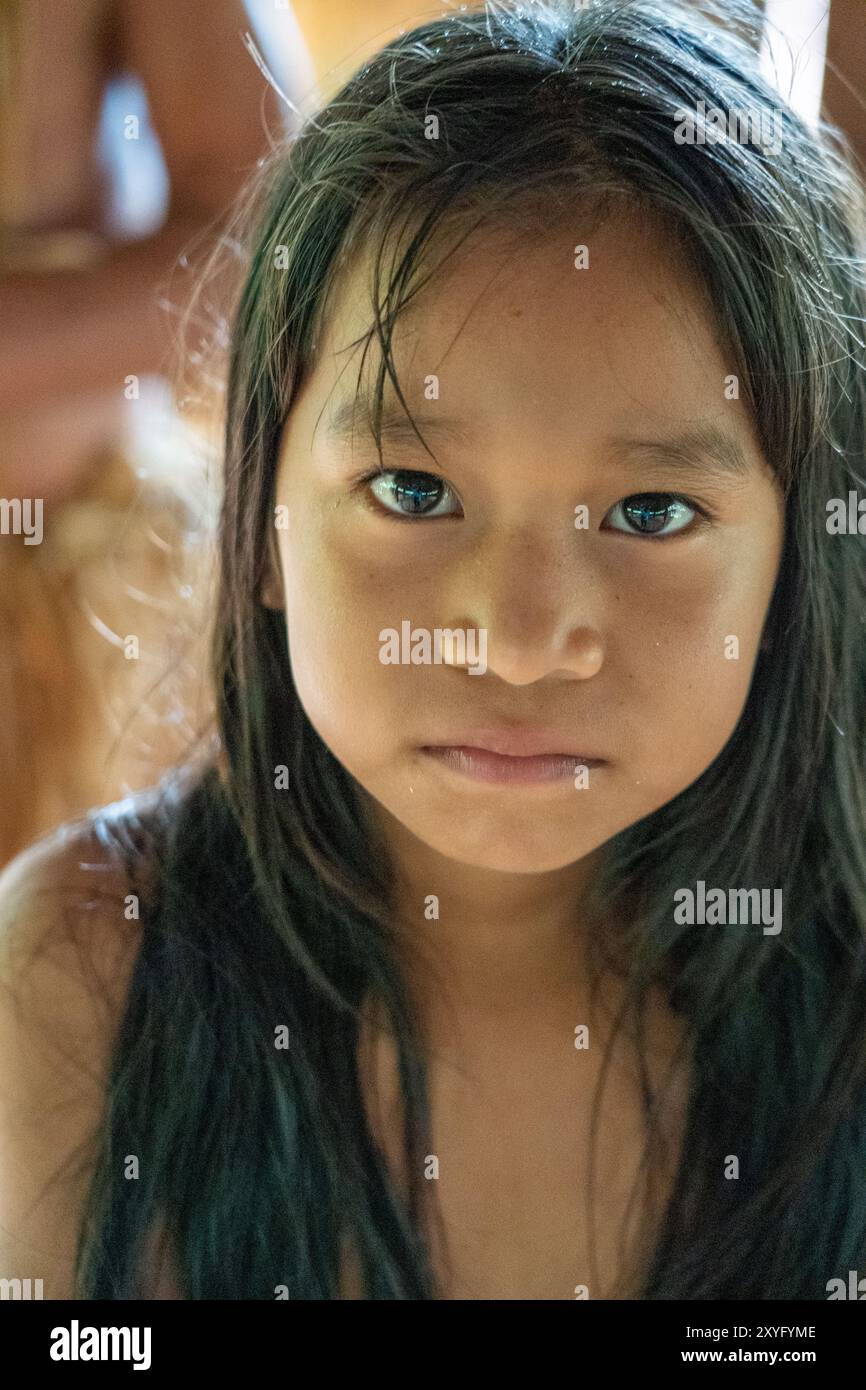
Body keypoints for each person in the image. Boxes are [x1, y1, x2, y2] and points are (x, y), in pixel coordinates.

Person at [2, 0, 866, 1300]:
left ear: (798, 559)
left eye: (649, 513)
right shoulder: (82, 975)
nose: (517, 642)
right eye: (411, 491)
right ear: (260, 522)